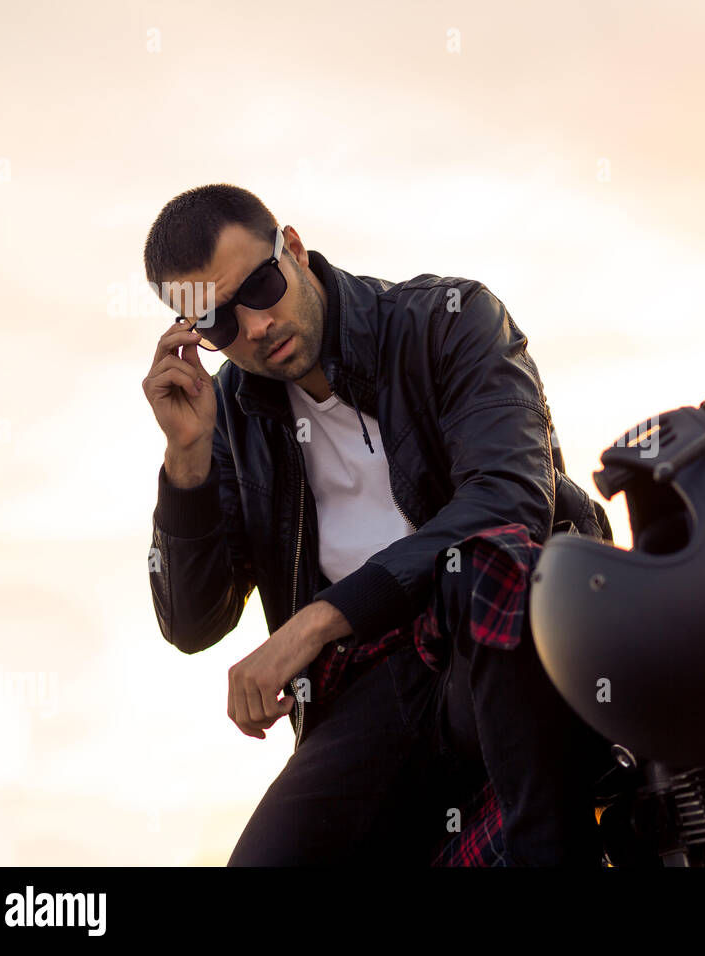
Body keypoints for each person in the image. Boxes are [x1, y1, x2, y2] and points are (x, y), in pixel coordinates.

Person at [140, 183, 613, 866]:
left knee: (487, 566)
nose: (255, 328)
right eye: (217, 324)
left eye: (262, 286)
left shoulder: (449, 321)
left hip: (503, 640)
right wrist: (186, 459)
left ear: (294, 250)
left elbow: (509, 501)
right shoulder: (229, 418)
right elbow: (192, 623)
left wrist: (317, 621)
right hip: (368, 692)